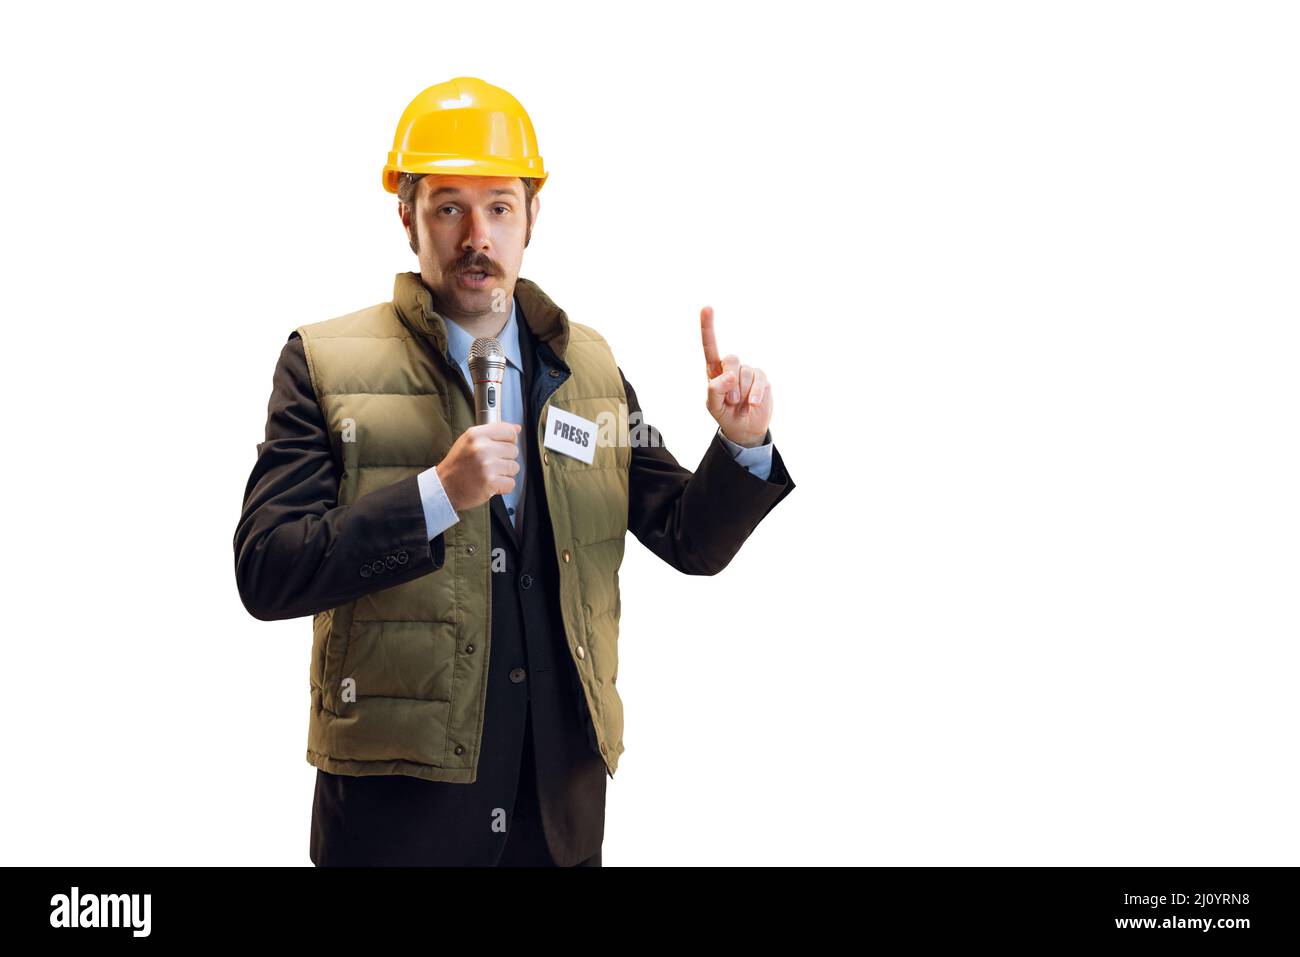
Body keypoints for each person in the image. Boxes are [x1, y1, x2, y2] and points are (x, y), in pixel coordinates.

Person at [233, 77, 796, 866]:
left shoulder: (588, 367)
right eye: (448, 206)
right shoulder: (323, 364)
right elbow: (267, 568)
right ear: (407, 217)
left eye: (499, 206)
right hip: (397, 823)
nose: (477, 235)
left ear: (533, 215)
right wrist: (436, 496)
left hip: (557, 815)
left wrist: (741, 446)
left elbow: (685, 534)